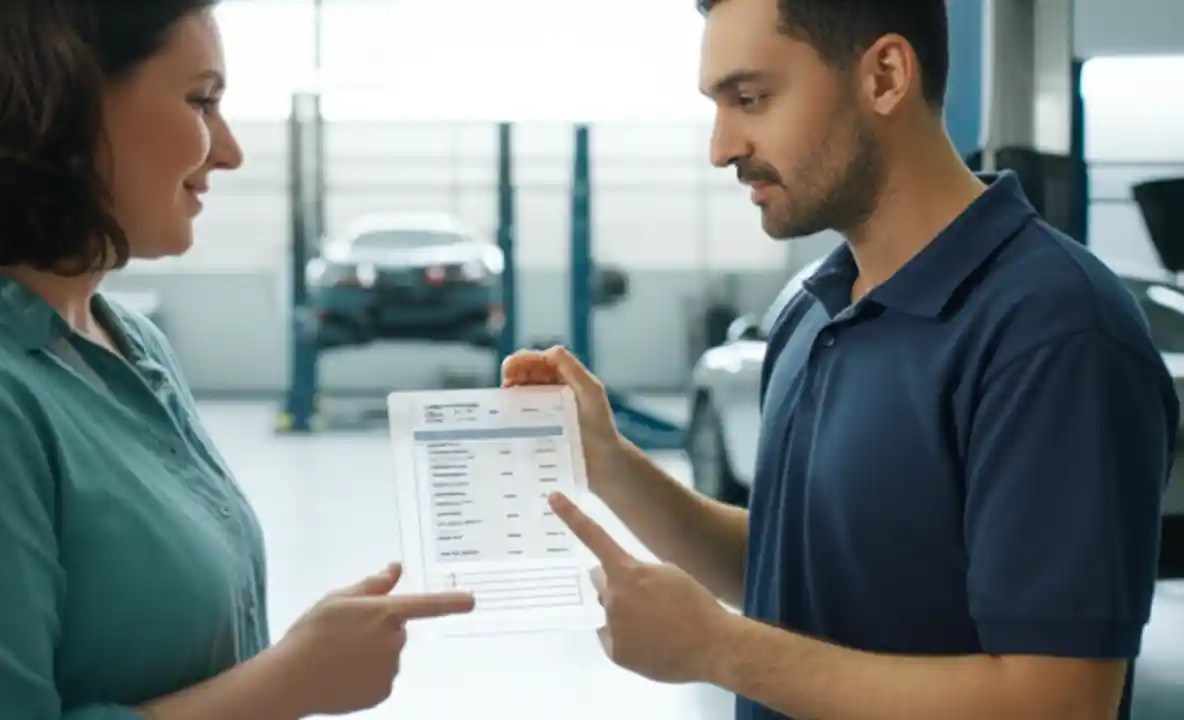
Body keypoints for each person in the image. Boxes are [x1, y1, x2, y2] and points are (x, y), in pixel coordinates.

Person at [504, 0, 1178, 718]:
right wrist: (609, 463)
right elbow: (791, 566)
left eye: (751, 99)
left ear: (885, 76)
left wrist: (719, 649)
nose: (721, 147)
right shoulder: (814, 308)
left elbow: (1058, 703)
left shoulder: (1053, 332)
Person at [0, 1, 474, 718]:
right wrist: (285, 685)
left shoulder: (129, 341)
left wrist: (303, 661)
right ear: (62, 107)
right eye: (201, 102)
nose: (229, 151)